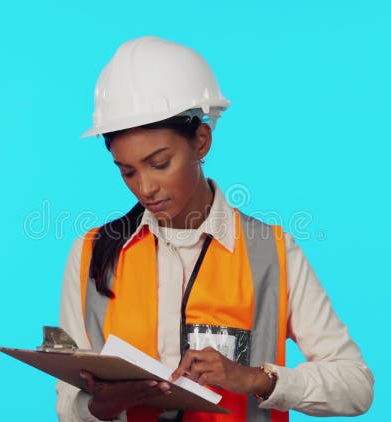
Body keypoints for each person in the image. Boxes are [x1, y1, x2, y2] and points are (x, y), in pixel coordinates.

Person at [55, 36, 374, 422]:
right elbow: (69, 405)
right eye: (128, 171)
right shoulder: (91, 253)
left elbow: (356, 386)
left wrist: (255, 379)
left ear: (201, 142)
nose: (145, 187)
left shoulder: (270, 253)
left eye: (159, 163)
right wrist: (101, 407)